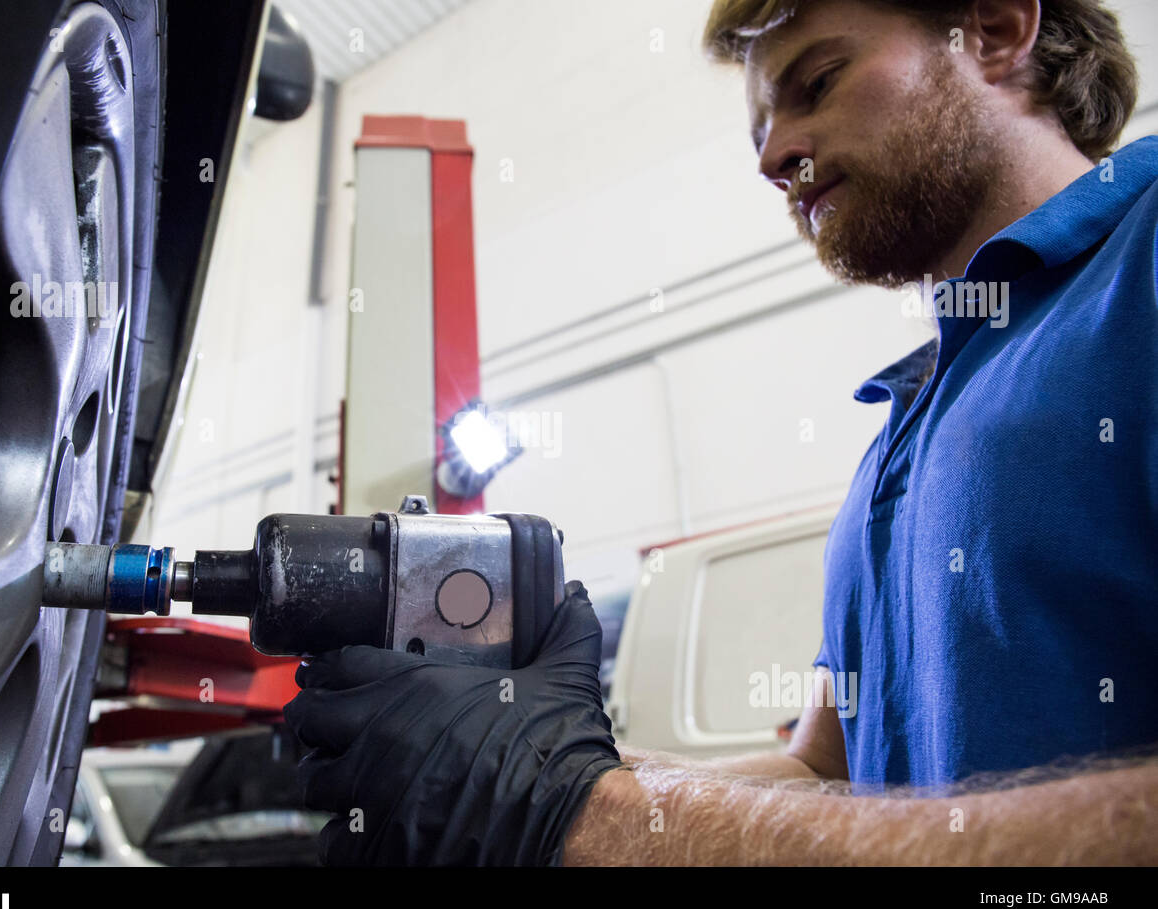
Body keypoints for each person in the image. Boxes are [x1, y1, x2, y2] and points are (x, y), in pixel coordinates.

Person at [283, 0, 1158, 865]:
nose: (777, 158)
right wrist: (519, 765)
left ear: (997, 30)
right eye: (761, 136)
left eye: (818, 80)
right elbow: (825, 775)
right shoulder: (908, 420)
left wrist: (589, 820)